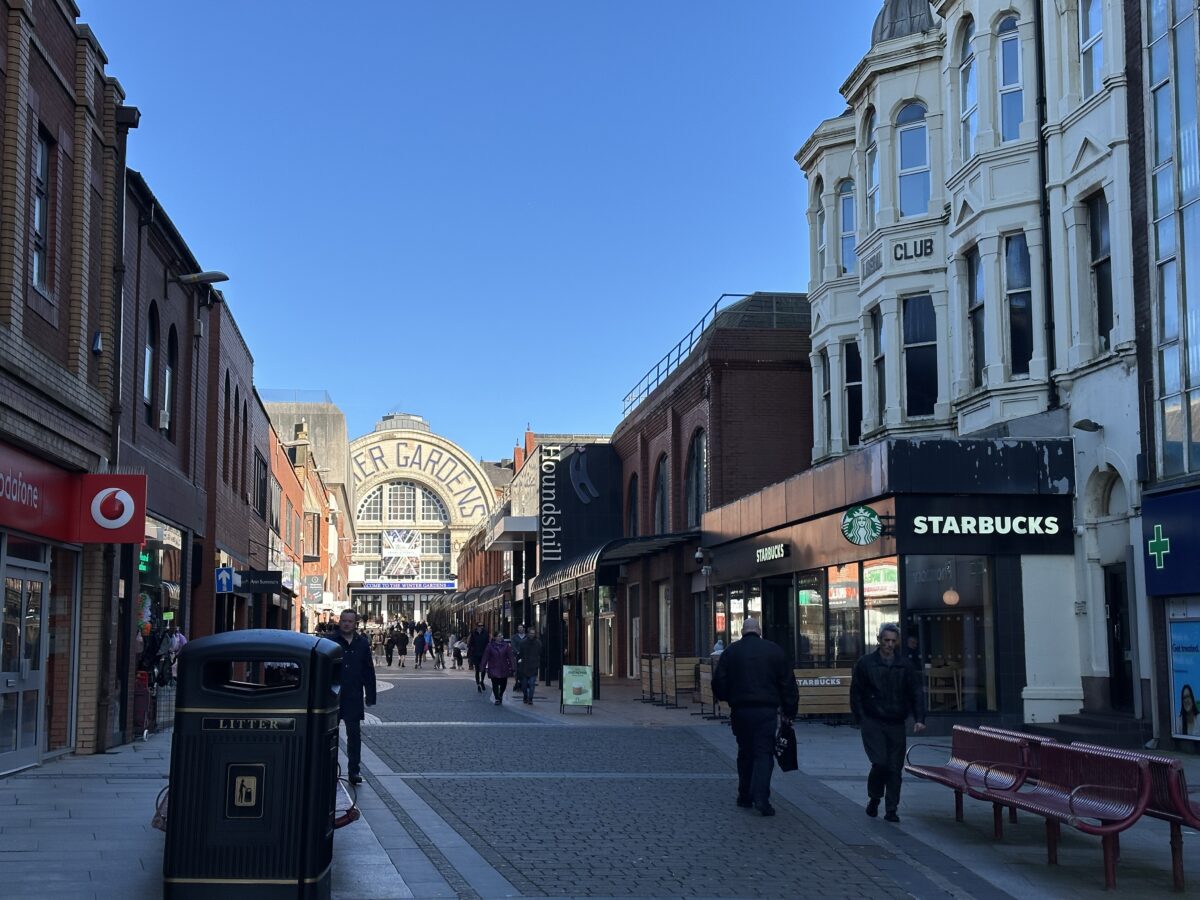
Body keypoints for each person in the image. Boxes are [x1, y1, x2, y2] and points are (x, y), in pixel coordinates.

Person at [712, 617, 798, 817]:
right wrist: (789, 711)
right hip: (766, 710)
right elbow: (787, 683)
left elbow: (718, 682)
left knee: (745, 751)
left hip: (740, 710)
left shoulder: (731, 651)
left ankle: (744, 795)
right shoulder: (774, 650)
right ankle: (761, 797)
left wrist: (727, 697)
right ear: (759, 630)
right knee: (763, 753)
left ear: (743, 631)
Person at [850, 622, 926, 823]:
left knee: (895, 767)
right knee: (880, 763)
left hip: (896, 721)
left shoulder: (904, 665)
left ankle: (891, 808)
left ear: (897, 642)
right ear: (879, 640)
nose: (889, 644)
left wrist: (920, 718)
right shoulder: (866, 663)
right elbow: (856, 692)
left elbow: (916, 692)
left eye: (893, 641)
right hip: (873, 720)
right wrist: (861, 718)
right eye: (886, 640)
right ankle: (875, 797)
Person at [333, 609, 376, 785]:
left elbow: (368, 670)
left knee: (354, 736)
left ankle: (354, 772)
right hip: (333, 696)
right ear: (340, 622)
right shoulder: (330, 642)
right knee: (330, 736)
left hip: (353, 696)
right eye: (344, 621)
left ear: (355, 623)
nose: (347, 624)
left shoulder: (362, 643)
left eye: (350, 621)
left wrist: (370, 696)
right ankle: (329, 770)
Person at [480, 630, 516, 705]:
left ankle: (501, 694)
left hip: (504, 667)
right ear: (495, 637)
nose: (501, 637)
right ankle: (497, 698)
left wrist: (513, 667)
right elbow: (485, 657)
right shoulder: (490, 646)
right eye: (499, 636)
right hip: (493, 666)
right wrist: (482, 666)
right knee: (495, 683)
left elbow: (511, 657)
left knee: (503, 683)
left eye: (502, 636)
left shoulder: (506, 646)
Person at [516, 626, 542, 704]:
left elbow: (540, 653)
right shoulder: (523, 643)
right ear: (528, 633)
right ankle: (525, 696)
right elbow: (520, 654)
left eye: (533, 633)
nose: (532, 635)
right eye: (531, 633)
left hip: (533, 666)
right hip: (524, 666)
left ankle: (530, 699)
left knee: (532, 684)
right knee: (524, 685)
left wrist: (538, 663)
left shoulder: (538, 643)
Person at [467, 623, 489, 692]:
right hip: (475, 654)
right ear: (476, 627)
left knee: (483, 669)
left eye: (482, 626)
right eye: (479, 626)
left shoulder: (485, 633)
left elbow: (487, 643)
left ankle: (482, 681)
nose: (480, 627)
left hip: (483, 654)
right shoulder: (473, 634)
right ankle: (478, 685)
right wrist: (470, 653)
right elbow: (470, 644)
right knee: (477, 670)